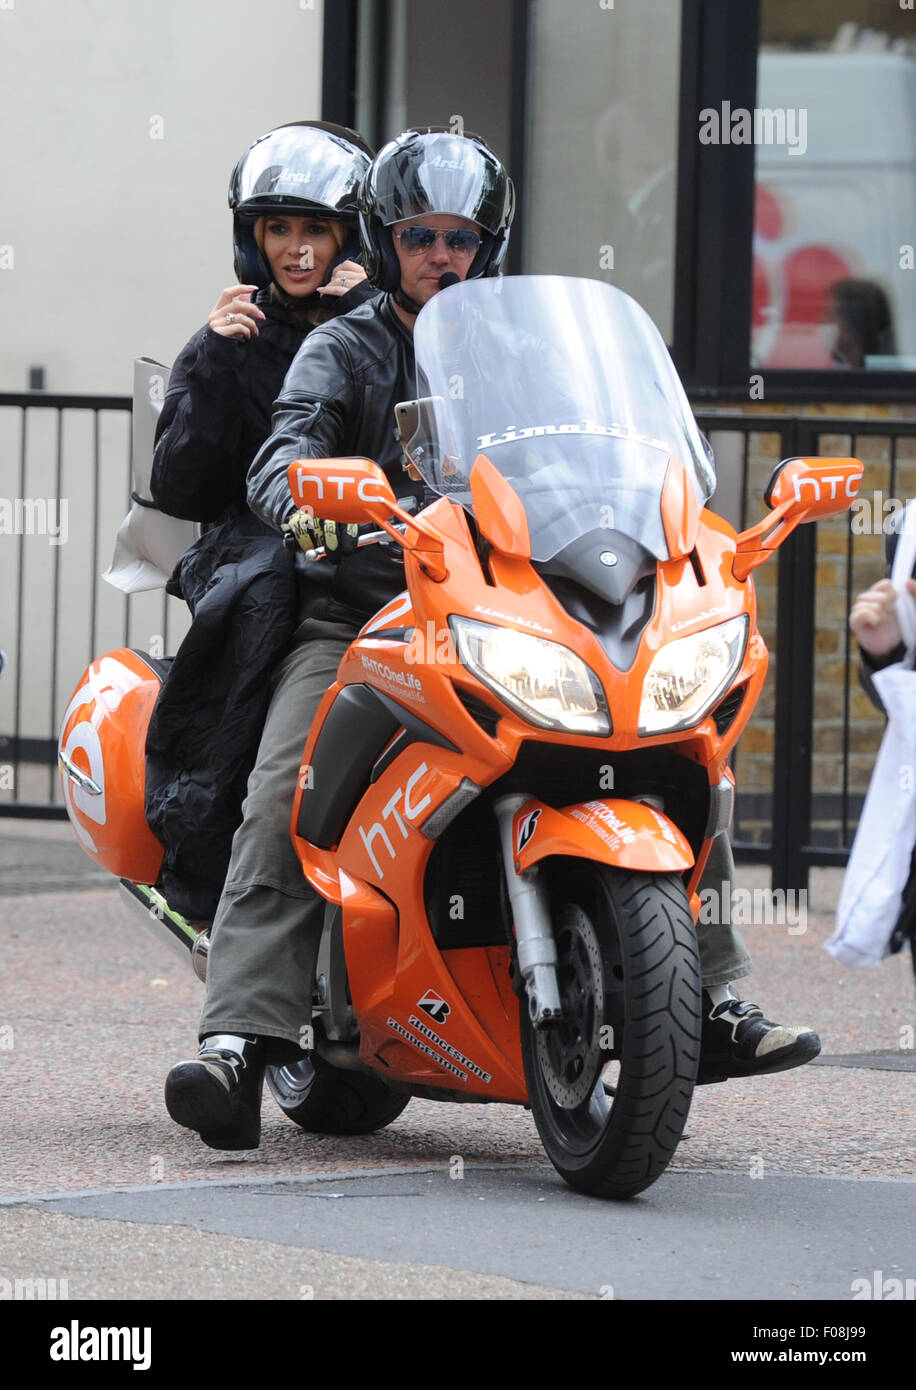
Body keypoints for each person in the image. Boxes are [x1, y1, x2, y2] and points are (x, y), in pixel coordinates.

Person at [164, 128, 820, 1152]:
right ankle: (238, 1041)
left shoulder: (536, 348)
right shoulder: (347, 343)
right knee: (286, 789)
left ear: (490, 245)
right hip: (368, 608)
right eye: (418, 235)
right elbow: (281, 450)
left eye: (460, 237)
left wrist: (658, 508)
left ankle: (712, 994)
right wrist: (306, 495)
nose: (440, 255)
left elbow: (619, 440)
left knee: (670, 747)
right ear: (386, 241)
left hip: (517, 599)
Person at [145, 121, 375, 922]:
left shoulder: (385, 329)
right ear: (253, 240)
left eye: (317, 229)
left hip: (379, 554)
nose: (298, 249)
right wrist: (209, 362)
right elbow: (178, 486)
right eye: (279, 228)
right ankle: (211, 868)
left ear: (352, 236)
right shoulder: (227, 341)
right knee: (270, 589)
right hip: (254, 551)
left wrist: (370, 317)